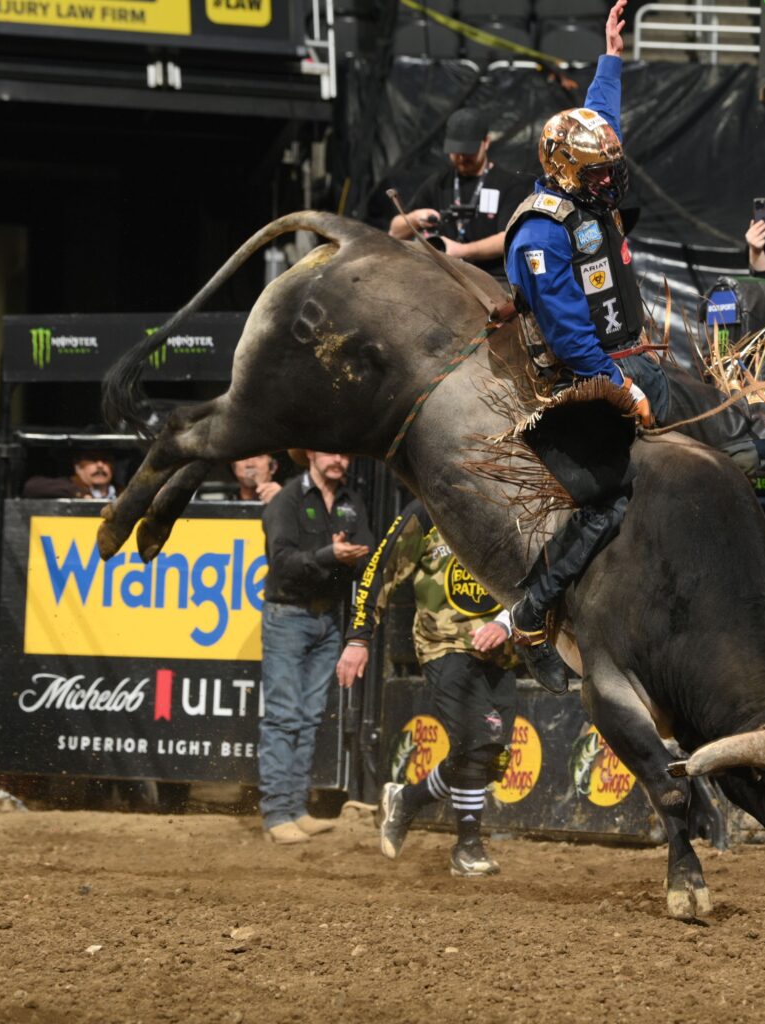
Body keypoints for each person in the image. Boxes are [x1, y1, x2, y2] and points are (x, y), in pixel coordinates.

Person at [500, 0, 653, 691]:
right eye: (598, 174)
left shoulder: (584, 175)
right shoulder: (541, 234)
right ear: (564, 170)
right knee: (612, 495)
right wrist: (620, 389)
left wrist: (611, 55)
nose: (609, 182)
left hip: (625, 357)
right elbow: (566, 331)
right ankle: (532, 612)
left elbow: (601, 118)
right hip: (574, 383)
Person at [336, 505, 518, 876]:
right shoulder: (429, 509)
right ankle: (468, 847)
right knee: (477, 741)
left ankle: (406, 799)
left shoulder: (507, 506)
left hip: (502, 649)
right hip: (444, 644)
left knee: (493, 756)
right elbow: (380, 568)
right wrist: (359, 637)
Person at [257, 450, 373, 844]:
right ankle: (276, 813)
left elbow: (367, 552)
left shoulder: (350, 501)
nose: (339, 458)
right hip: (288, 614)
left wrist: (348, 556)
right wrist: (331, 554)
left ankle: (294, 808)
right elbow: (281, 560)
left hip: (327, 619)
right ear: (310, 454)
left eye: (344, 452)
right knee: (284, 715)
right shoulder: (287, 500)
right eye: (330, 451)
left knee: (306, 717)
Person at [391, 108, 532, 280]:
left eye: (468, 151)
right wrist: (415, 218)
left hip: (493, 279)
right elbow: (395, 232)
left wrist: (460, 251)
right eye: (456, 151)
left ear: (485, 142)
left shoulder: (509, 184)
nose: (462, 157)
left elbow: (508, 238)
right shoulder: (438, 183)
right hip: (446, 278)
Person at [23, 445, 117, 500]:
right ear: (77, 466)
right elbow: (31, 487)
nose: (100, 465)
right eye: (92, 459)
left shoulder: (123, 493)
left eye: (106, 459)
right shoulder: (68, 487)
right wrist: (79, 494)